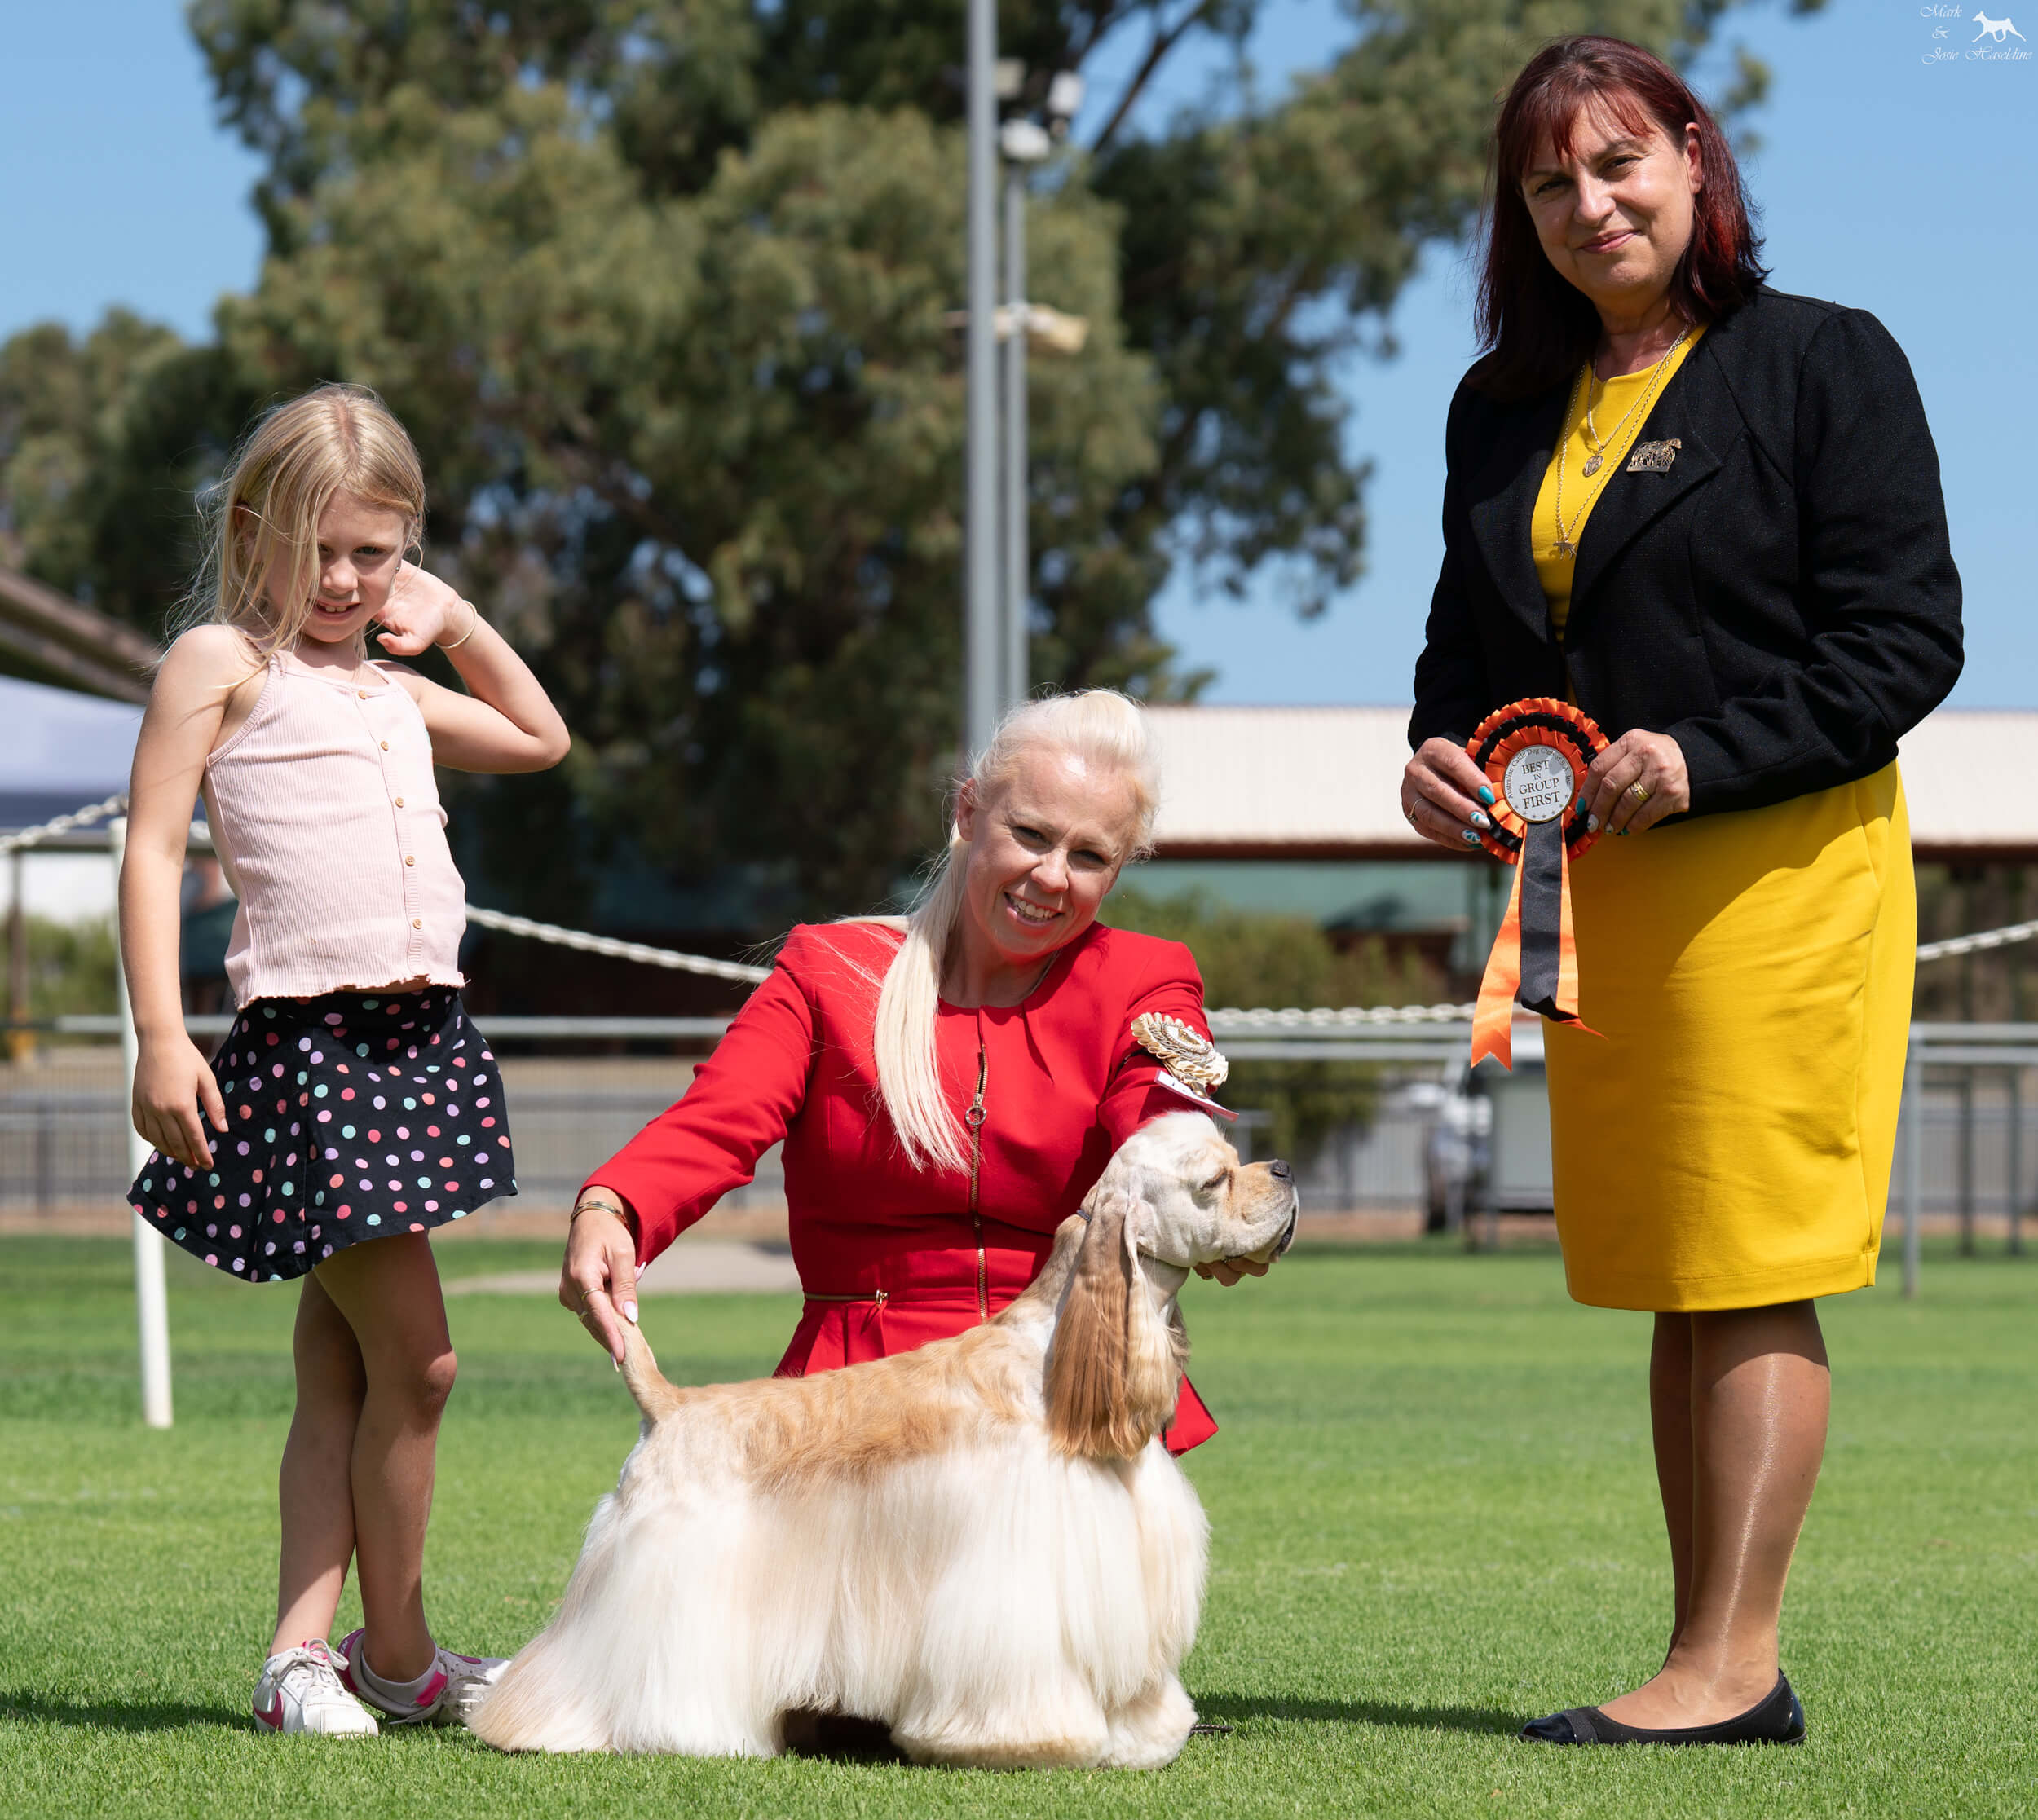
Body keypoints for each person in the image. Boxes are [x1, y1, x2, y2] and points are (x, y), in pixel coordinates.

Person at [1403, 37, 1960, 1747]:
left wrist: (1701, 755)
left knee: (1746, 1263)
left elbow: (1903, 643)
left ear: (1694, 161)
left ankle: (1729, 1667)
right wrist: (1434, 756)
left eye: (1619, 162)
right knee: (1670, 1268)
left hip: (1776, 883)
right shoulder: (1497, 406)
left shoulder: (1819, 364)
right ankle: (1705, 1655)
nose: (1590, 204)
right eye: (1549, 183)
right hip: (1589, 904)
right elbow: (1461, 657)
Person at [122, 383, 571, 1736]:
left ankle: (303, 1654)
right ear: (254, 531)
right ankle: (399, 1652)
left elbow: (542, 737)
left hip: (416, 1040)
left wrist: (461, 619)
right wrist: (158, 1031)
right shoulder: (220, 663)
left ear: (406, 549)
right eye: (315, 547)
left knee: (348, 1365)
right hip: (310, 1049)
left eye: (372, 551)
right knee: (420, 1365)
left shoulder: (391, 689)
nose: (340, 578)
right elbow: (149, 850)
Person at [561, 690, 1268, 1454]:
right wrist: (614, 1205)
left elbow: (1162, 1127)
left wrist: (1212, 1199)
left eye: (1091, 855)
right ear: (968, 812)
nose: (1053, 876)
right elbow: (718, 1119)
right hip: (854, 1411)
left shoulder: (1150, 980)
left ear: (1120, 867)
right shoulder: (829, 970)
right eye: (1029, 833)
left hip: (1063, 1394)